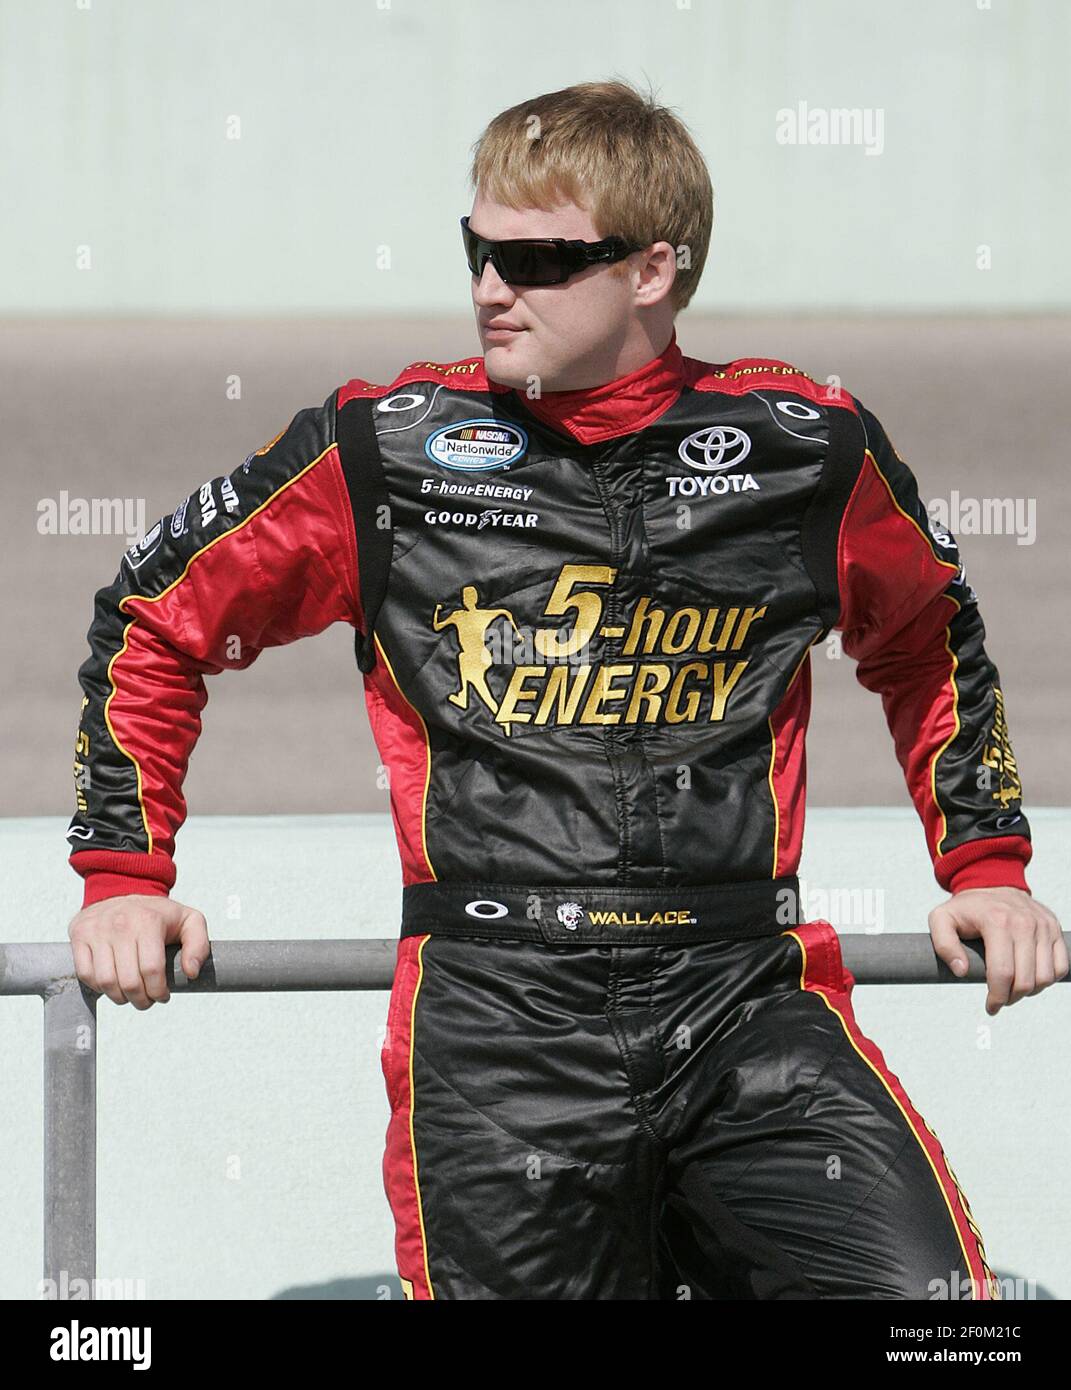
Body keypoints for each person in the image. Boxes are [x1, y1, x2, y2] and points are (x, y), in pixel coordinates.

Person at [66, 79, 1065, 1301]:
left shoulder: (807, 441)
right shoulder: (383, 448)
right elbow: (151, 621)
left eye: (539, 258)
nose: (493, 286)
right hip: (498, 1027)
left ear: (653, 270)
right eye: (479, 249)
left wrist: (987, 866)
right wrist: (125, 877)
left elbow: (927, 636)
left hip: (746, 999)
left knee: (946, 1323)